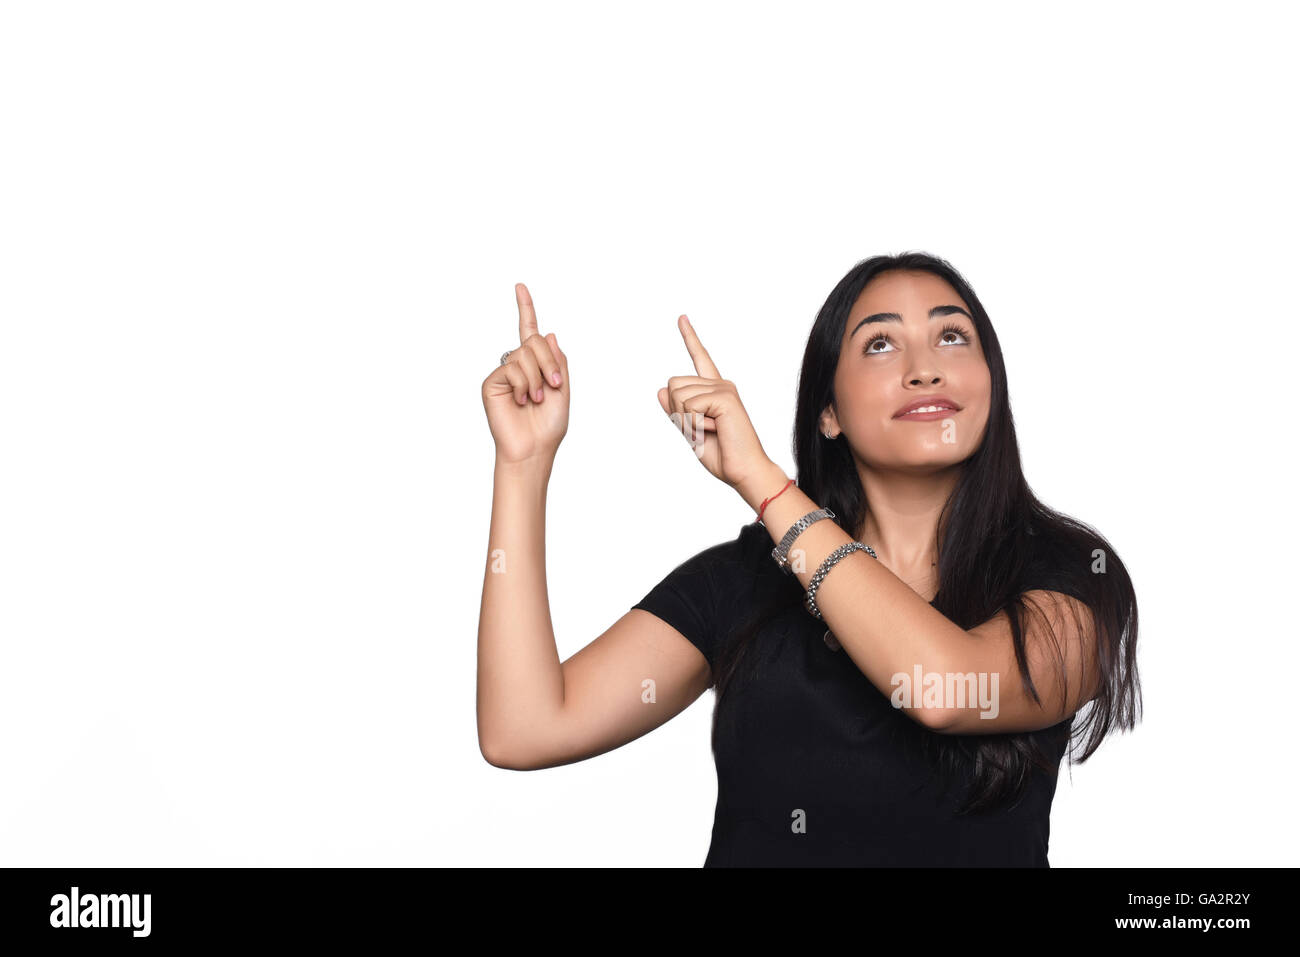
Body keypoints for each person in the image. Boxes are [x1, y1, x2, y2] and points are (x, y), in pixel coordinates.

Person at [477, 251, 1141, 866]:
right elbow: (524, 727)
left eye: (952, 336)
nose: (924, 367)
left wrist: (764, 483)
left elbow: (937, 687)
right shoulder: (743, 580)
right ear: (829, 412)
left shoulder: (1070, 574)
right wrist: (523, 464)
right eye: (881, 343)